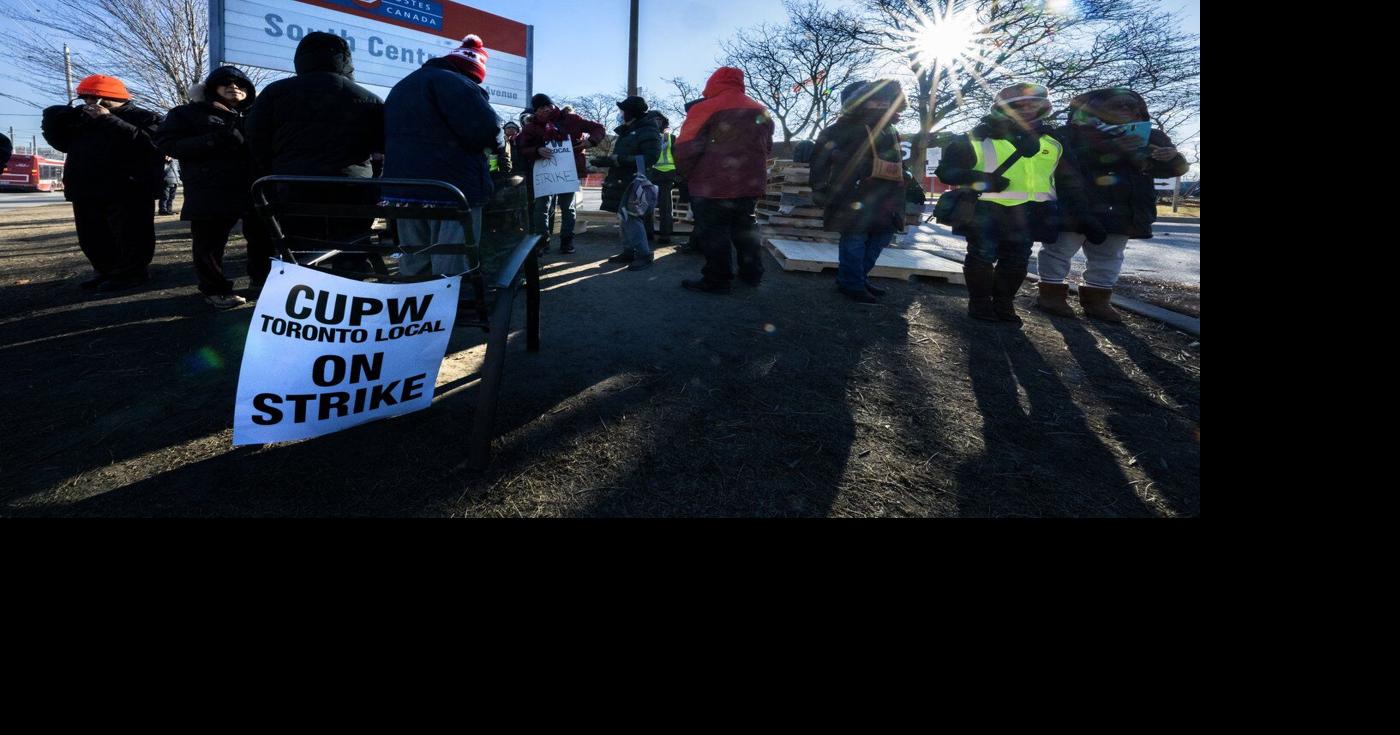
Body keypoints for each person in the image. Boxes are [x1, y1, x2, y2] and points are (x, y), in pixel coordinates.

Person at [1039, 87, 1190, 322]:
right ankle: (1050, 295)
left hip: (1124, 208)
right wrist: (1114, 148)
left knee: (1110, 256)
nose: (1128, 110)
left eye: (1133, 107)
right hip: (1077, 204)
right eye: (1119, 106)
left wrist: (1174, 158)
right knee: (1060, 250)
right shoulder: (1071, 133)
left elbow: (1173, 170)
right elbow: (1060, 163)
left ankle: (1097, 301)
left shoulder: (1152, 135)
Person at [934, 83, 1071, 325]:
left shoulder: (1054, 140)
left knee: (1017, 261)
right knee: (982, 257)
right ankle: (979, 303)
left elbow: (1066, 179)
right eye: (1018, 105)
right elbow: (946, 172)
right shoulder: (977, 136)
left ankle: (1004, 303)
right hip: (987, 209)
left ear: (1044, 107)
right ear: (1002, 108)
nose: (1026, 109)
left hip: (1032, 211)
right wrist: (981, 179)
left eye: (1033, 104)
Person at [245, 32, 385, 265]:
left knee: (301, 248)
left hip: (294, 185)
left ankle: (304, 295)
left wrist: (276, 170)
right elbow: (381, 146)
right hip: (352, 188)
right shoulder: (368, 98)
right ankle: (350, 293)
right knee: (351, 245)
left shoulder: (274, 93)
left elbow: (256, 139)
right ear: (346, 60)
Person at [381, 34, 501, 278]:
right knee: (451, 265)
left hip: (403, 191)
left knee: (415, 261)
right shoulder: (458, 84)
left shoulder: (402, 86)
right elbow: (487, 131)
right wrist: (499, 141)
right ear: (472, 72)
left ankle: (413, 311)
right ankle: (450, 313)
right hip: (451, 191)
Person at [155, 65, 273, 310]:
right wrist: (215, 139)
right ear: (211, 88)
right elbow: (167, 143)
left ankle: (260, 282)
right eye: (226, 83)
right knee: (209, 244)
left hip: (252, 188)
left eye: (240, 84)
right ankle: (215, 290)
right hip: (210, 189)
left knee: (261, 238)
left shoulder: (255, 115)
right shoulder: (187, 113)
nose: (233, 87)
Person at [41, 74, 165, 291]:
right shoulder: (82, 118)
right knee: (92, 236)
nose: (89, 104)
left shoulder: (145, 117)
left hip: (129, 188)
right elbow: (64, 144)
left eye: (94, 98)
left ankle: (131, 273)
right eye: (85, 99)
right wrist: (52, 122)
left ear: (112, 97)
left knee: (130, 234)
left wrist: (109, 119)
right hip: (85, 187)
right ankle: (105, 271)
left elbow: (152, 146)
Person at [675, 67, 775, 294]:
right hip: (749, 183)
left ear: (712, 83)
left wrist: (685, 174)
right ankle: (752, 275)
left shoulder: (705, 107)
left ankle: (717, 280)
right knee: (746, 229)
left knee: (714, 233)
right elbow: (766, 147)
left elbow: (686, 148)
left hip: (712, 183)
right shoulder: (761, 109)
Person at [810, 80, 909, 304]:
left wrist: (908, 179)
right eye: (876, 98)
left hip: (886, 194)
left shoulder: (890, 128)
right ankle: (852, 283)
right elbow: (819, 160)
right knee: (855, 236)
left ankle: (854, 277)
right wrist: (819, 187)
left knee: (881, 236)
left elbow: (898, 160)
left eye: (884, 99)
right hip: (852, 192)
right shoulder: (839, 129)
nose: (882, 102)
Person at [517, 94, 606, 255]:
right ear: (535, 111)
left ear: (553, 105)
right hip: (544, 173)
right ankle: (542, 242)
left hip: (568, 172)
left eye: (548, 106)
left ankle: (567, 241)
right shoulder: (530, 127)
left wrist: (591, 141)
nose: (546, 109)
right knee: (541, 208)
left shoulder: (572, 120)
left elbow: (598, 128)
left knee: (568, 207)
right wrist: (537, 150)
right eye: (541, 108)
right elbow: (522, 148)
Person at [590, 96, 665, 271]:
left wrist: (618, 160)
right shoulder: (629, 130)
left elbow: (651, 158)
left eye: (623, 111)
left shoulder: (647, 130)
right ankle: (629, 251)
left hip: (635, 181)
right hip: (623, 179)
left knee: (631, 216)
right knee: (624, 216)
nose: (621, 114)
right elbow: (624, 157)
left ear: (631, 112)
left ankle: (644, 254)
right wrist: (607, 161)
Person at [645, 121, 678, 246]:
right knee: (665, 206)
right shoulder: (671, 137)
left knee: (648, 205)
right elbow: (677, 156)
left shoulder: (648, 137)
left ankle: (648, 234)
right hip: (667, 173)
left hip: (652, 173)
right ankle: (665, 235)